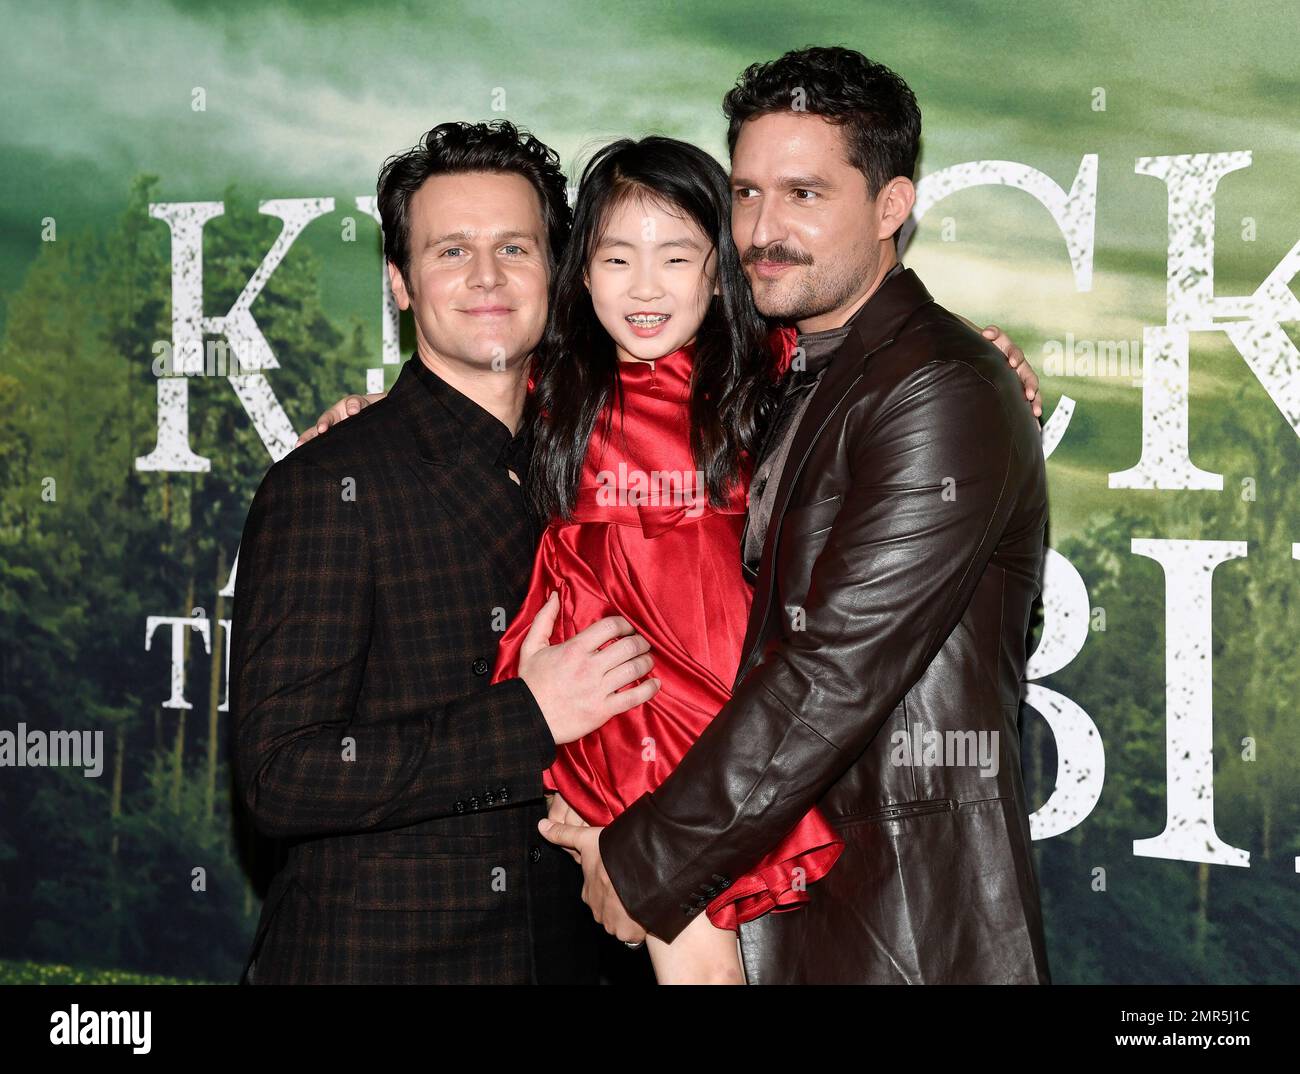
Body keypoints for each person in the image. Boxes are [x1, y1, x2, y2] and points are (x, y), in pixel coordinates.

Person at [540, 46, 1054, 985]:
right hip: (775, 897)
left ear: (892, 207)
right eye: (745, 194)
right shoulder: (776, 368)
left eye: (805, 195)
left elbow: (831, 675)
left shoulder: (939, 386)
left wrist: (646, 861)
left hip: (895, 922)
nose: (763, 230)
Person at [229, 120, 658, 984]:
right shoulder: (330, 484)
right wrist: (527, 717)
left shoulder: (606, 464)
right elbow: (282, 776)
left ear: (556, 271)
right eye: (450, 250)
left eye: (514, 246)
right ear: (399, 282)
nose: (488, 277)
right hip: (382, 963)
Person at [488, 135, 846, 985]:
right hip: (612, 685)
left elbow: (878, 365)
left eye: (676, 257)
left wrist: (987, 351)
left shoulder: (762, 371)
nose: (644, 287)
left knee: (713, 958)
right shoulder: (553, 386)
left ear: (719, 271)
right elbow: (441, 408)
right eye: (616, 257)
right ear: (581, 272)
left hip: (717, 694)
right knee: (694, 958)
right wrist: (355, 410)